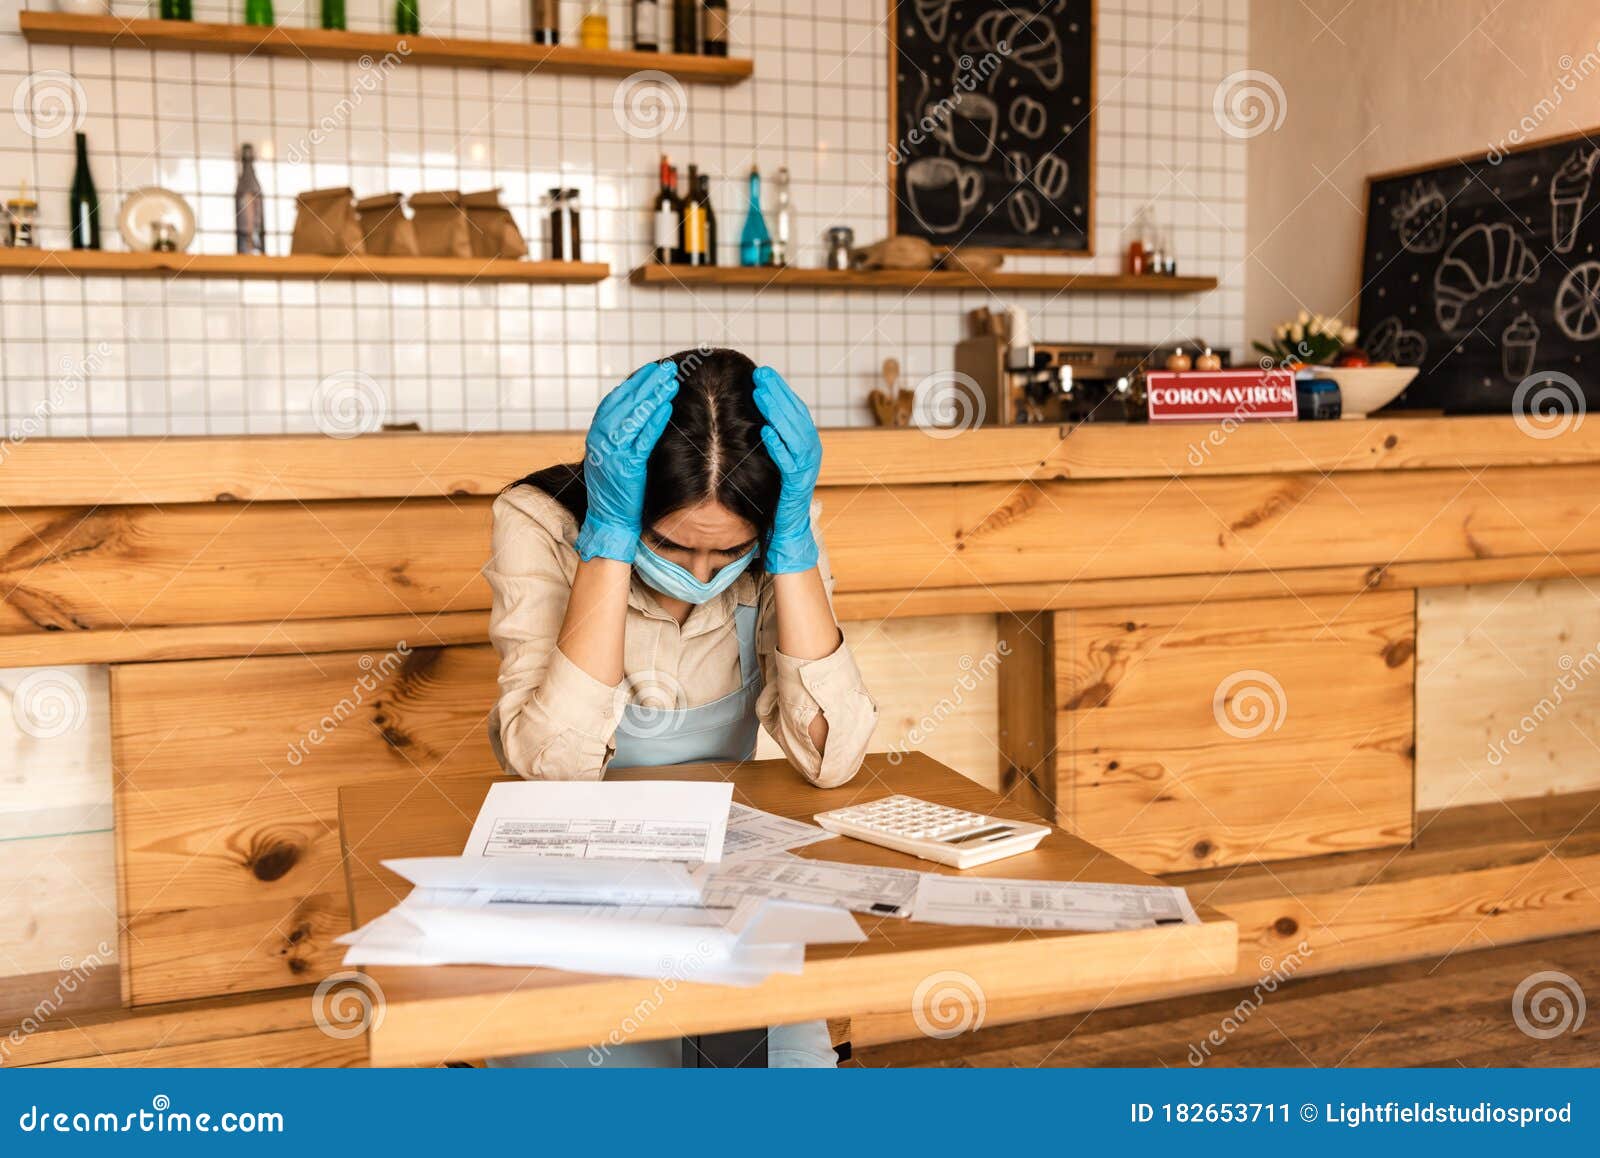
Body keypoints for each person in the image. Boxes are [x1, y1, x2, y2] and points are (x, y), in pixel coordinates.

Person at [481, 347, 878, 1067]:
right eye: (670, 545)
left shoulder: (780, 536)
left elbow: (832, 756)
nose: (701, 574)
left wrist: (791, 552)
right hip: (570, 888)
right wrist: (607, 541)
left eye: (729, 553)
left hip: (723, 886)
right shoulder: (539, 522)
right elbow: (555, 768)